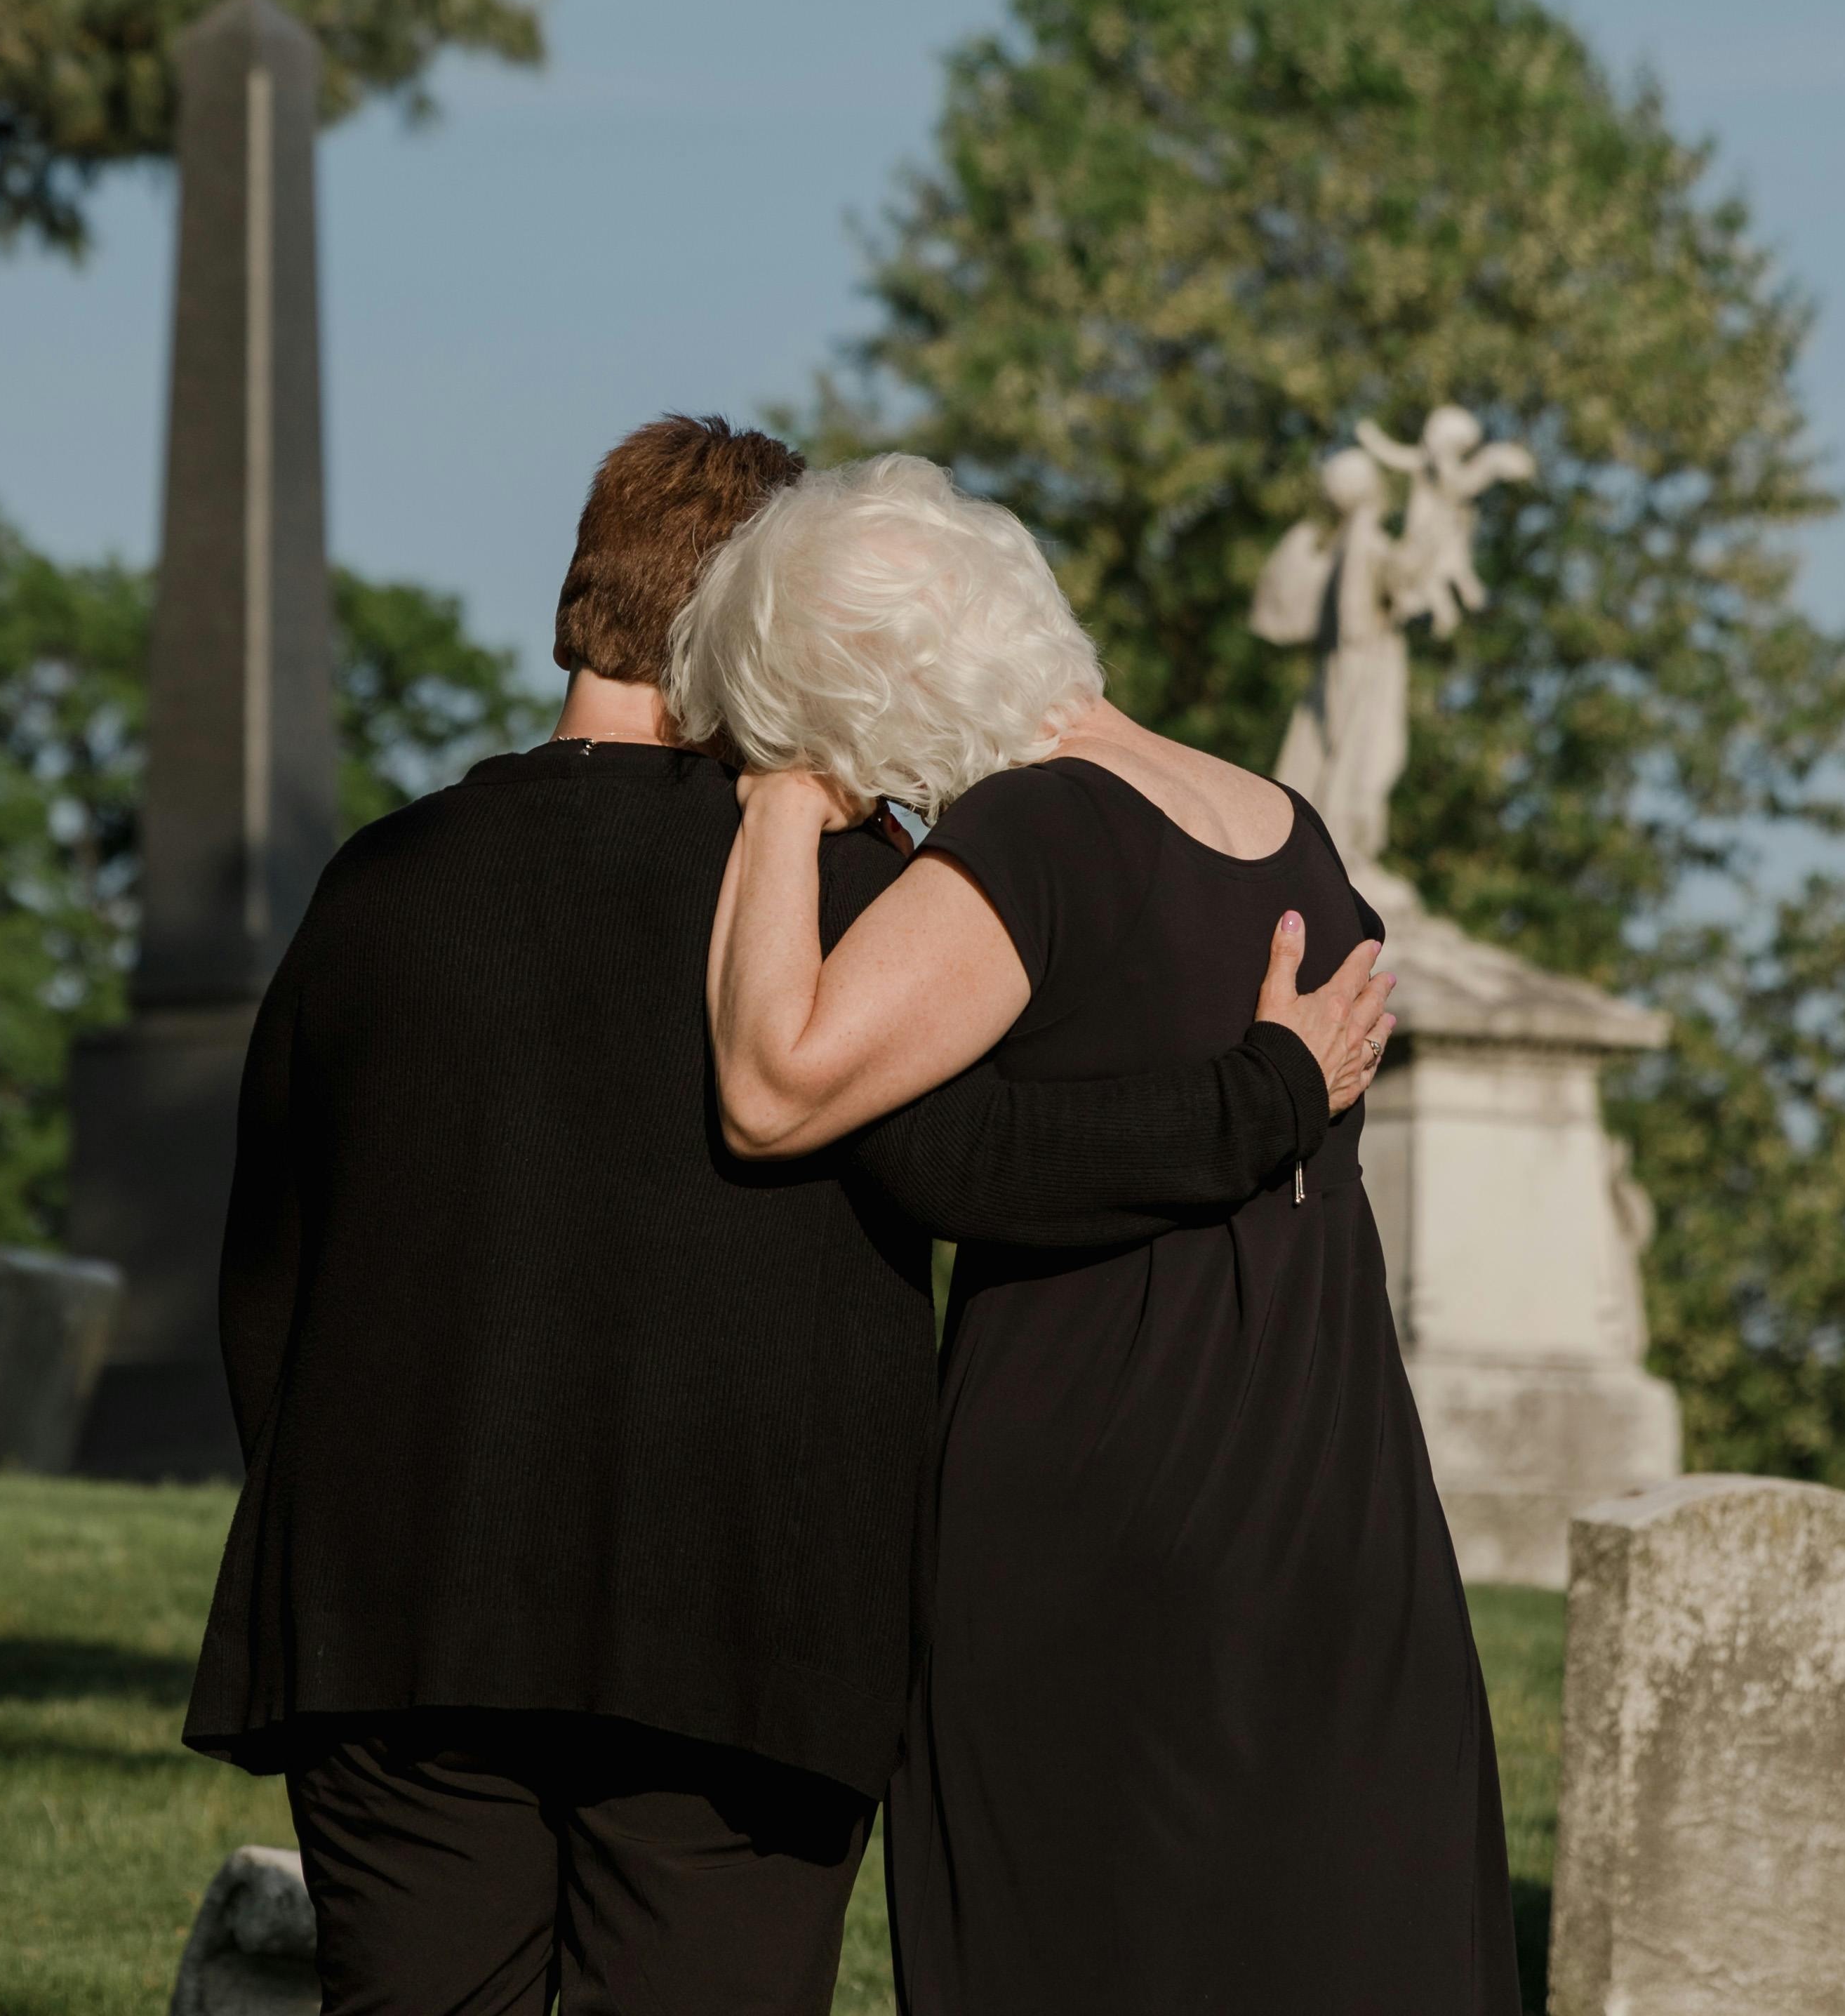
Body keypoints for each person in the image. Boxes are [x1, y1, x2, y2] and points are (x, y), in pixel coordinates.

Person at [185, 416, 1401, 2016]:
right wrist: (1261, 1093)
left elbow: (266, 1270)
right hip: (741, 1623)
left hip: (391, 1605)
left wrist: (330, 1519)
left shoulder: (381, 878)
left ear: (580, 596)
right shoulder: (848, 895)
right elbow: (978, 1163)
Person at [673, 453, 1521, 2016]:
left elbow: (775, 1085)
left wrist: (786, 796)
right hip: (1340, 1517)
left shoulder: (1039, 834)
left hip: (1107, 1526)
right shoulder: (1296, 837)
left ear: (868, 692)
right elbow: (977, 1151)